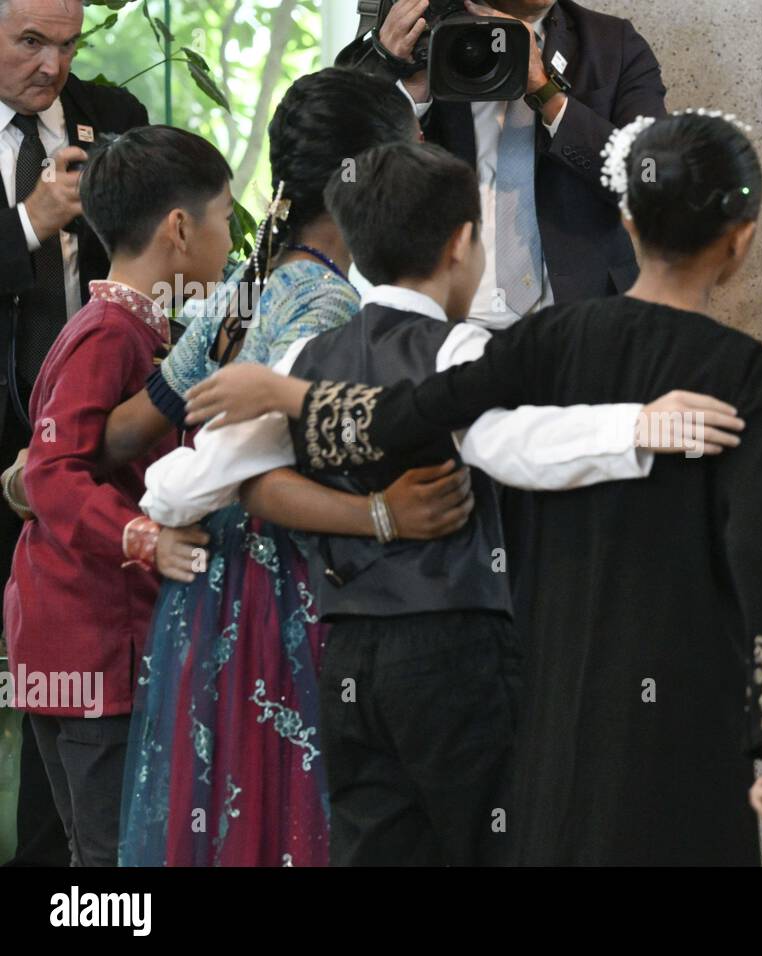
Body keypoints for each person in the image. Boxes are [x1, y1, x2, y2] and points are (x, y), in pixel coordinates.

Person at [186, 111, 762, 866]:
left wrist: (290, 396)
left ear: (626, 221)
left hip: (560, 681)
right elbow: (752, 552)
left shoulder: (547, 341)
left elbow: (415, 411)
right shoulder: (753, 379)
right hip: (686, 686)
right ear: (742, 235)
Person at [115, 68, 463, 868]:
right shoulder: (332, 308)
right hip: (282, 596)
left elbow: (141, 419)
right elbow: (256, 480)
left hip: (207, 596)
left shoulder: (249, 283)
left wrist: (49, 459)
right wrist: (385, 516)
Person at [4, 125, 234, 867]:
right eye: (225, 217)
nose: (231, 241)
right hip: (91, 636)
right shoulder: (110, 334)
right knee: (113, 857)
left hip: (86, 634)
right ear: (178, 227)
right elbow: (51, 473)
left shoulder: (130, 329)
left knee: (102, 851)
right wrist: (147, 539)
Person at [0, 0, 148, 867]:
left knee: (70, 702)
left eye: (67, 44)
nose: (52, 67)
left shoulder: (112, 118)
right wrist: (27, 225)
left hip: (86, 449)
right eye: (30, 43)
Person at [350, 0, 667, 328]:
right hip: (445, 325)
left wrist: (547, 94)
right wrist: (404, 85)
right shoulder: (421, 37)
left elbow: (652, 176)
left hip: (583, 322)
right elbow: (350, 177)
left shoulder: (611, 43)